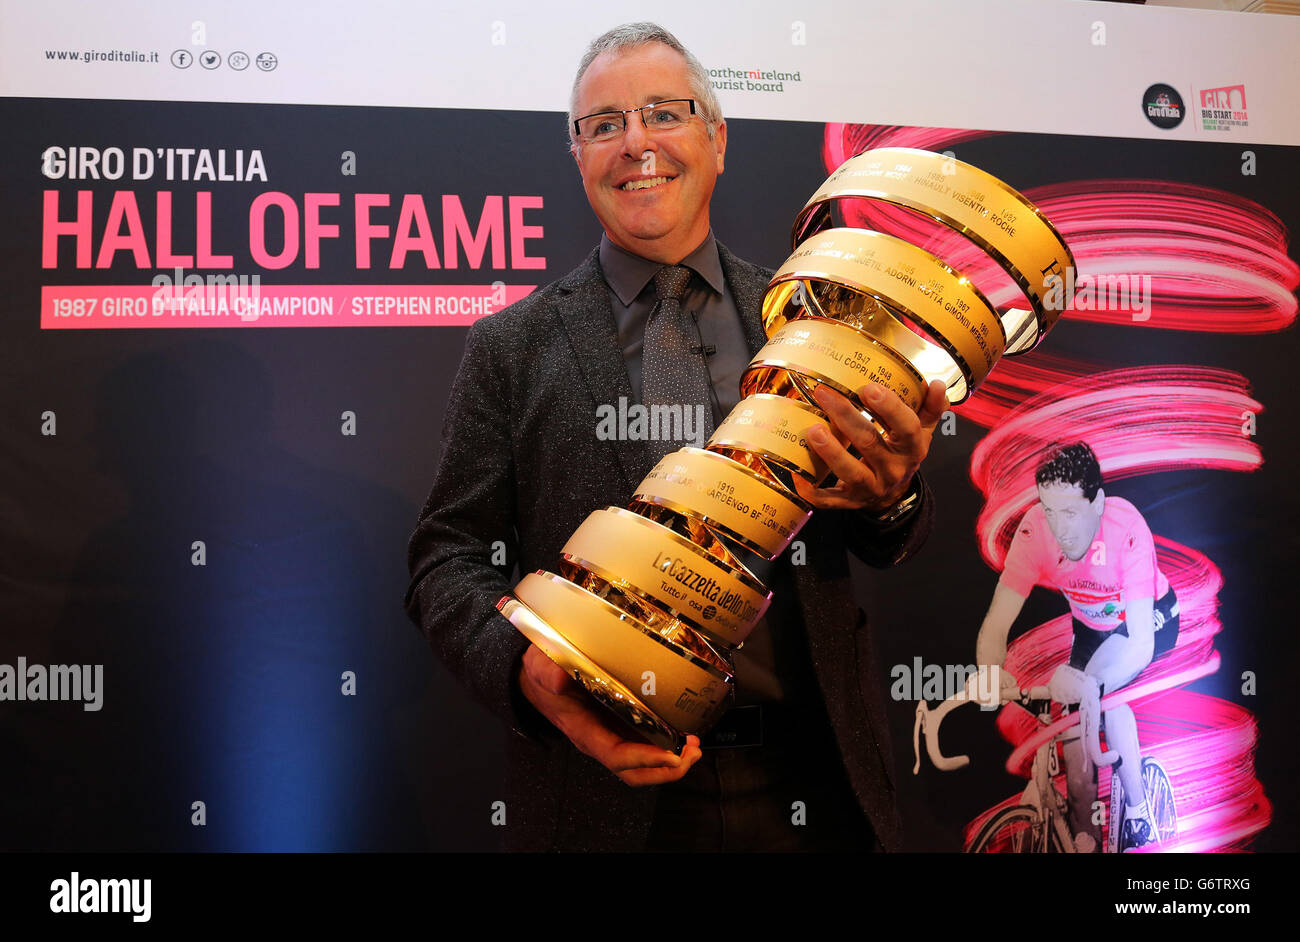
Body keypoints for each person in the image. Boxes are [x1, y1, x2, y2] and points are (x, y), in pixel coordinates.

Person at [405, 22, 948, 852]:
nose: (636, 144)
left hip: (816, 786)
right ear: (578, 157)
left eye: (665, 112)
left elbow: (887, 533)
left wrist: (893, 497)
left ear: (717, 140)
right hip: (602, 795)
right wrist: (522, 667)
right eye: (604, 124)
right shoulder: (508, 348)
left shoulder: (812, 320)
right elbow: (447, 557)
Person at [975, 441, 1179, 852]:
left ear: (1098, 503)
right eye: (1050, 511)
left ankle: (1140, 815)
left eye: (1070, 512)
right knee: (1072, 728)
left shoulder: (1126, 527)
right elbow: (996, 623)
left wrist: (1092, 687)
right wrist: (989, 670)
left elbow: (1139, 644)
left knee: (1103, 695)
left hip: (1145, 618)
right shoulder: (1036, 530)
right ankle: (1085, 836)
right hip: (1090, 626)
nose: (1060, 528)